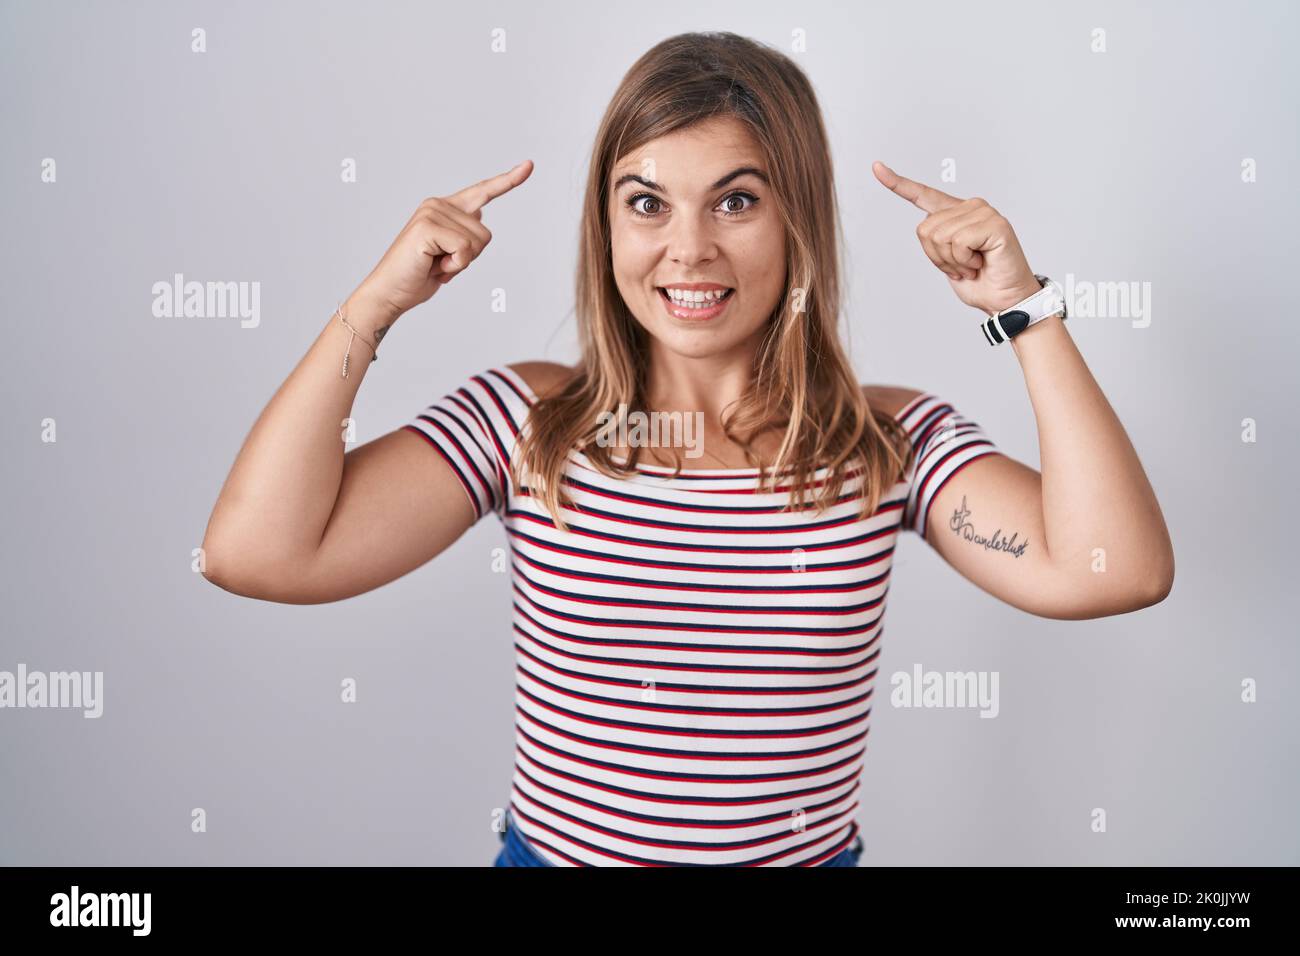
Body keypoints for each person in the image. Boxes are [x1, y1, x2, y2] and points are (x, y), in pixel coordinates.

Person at [199, 32, 1174, 867]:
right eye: (647, 202)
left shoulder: (884, 443)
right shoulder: (529, 423)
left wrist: (1023, 308)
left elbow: (1115, 570)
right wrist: (375, 306)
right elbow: (256, 553)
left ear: (797, 218)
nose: (689, 248)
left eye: (736, 201)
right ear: (606, 222)